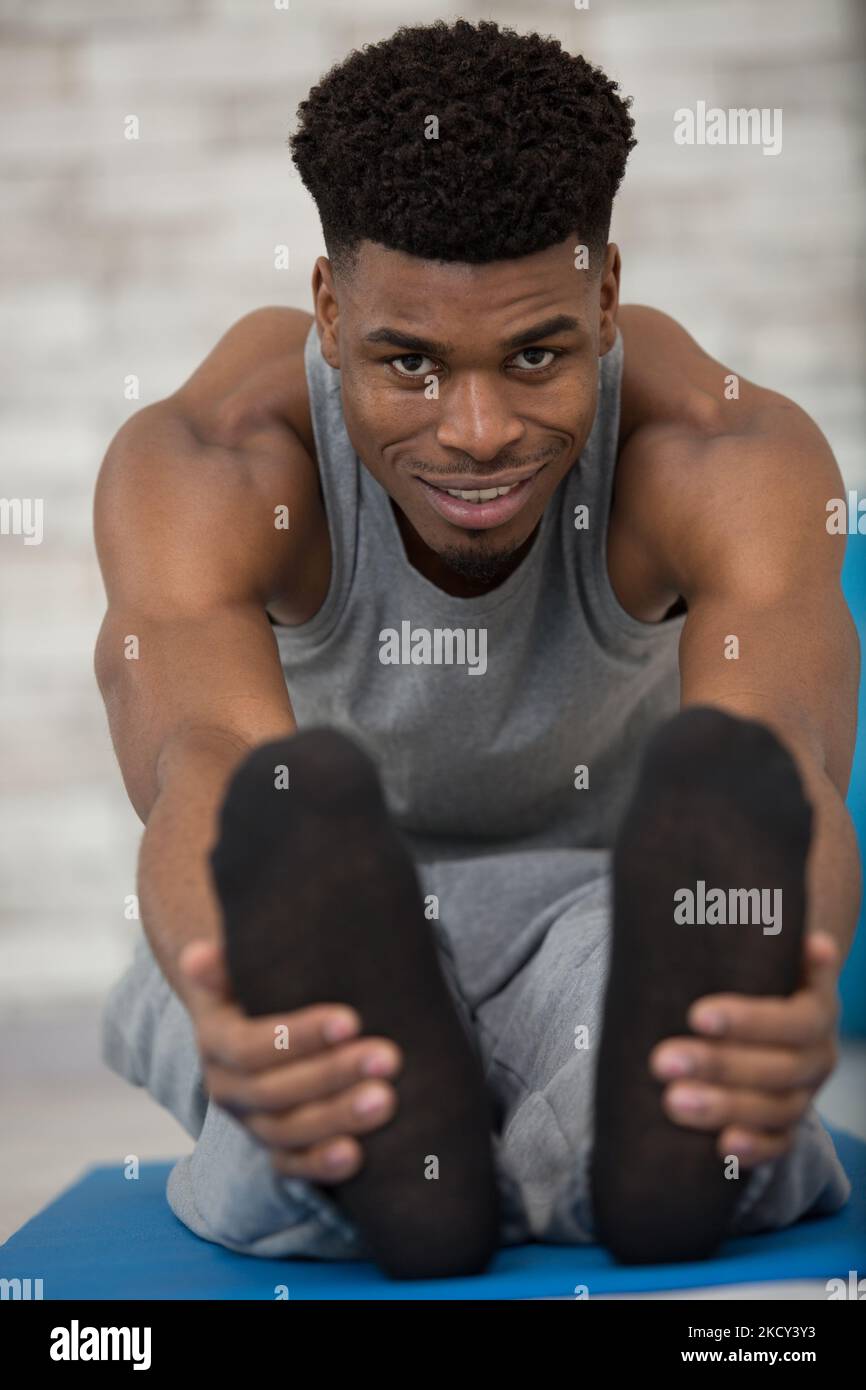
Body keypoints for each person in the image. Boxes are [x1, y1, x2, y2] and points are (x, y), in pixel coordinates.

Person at [94, 20, 857, 1279]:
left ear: (605, 295)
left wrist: (783, 981)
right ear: (329, 310)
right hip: (325, 903)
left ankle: (495, 1151)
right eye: (410, 364)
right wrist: (215, 986)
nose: (479, 432)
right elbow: (207, 759)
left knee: (689, 1085)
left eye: (536, 354)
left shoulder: (722, 454)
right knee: (294, 1076)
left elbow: (780, 761)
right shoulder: (211, 462)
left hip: (610, 909)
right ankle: (407, 1119)